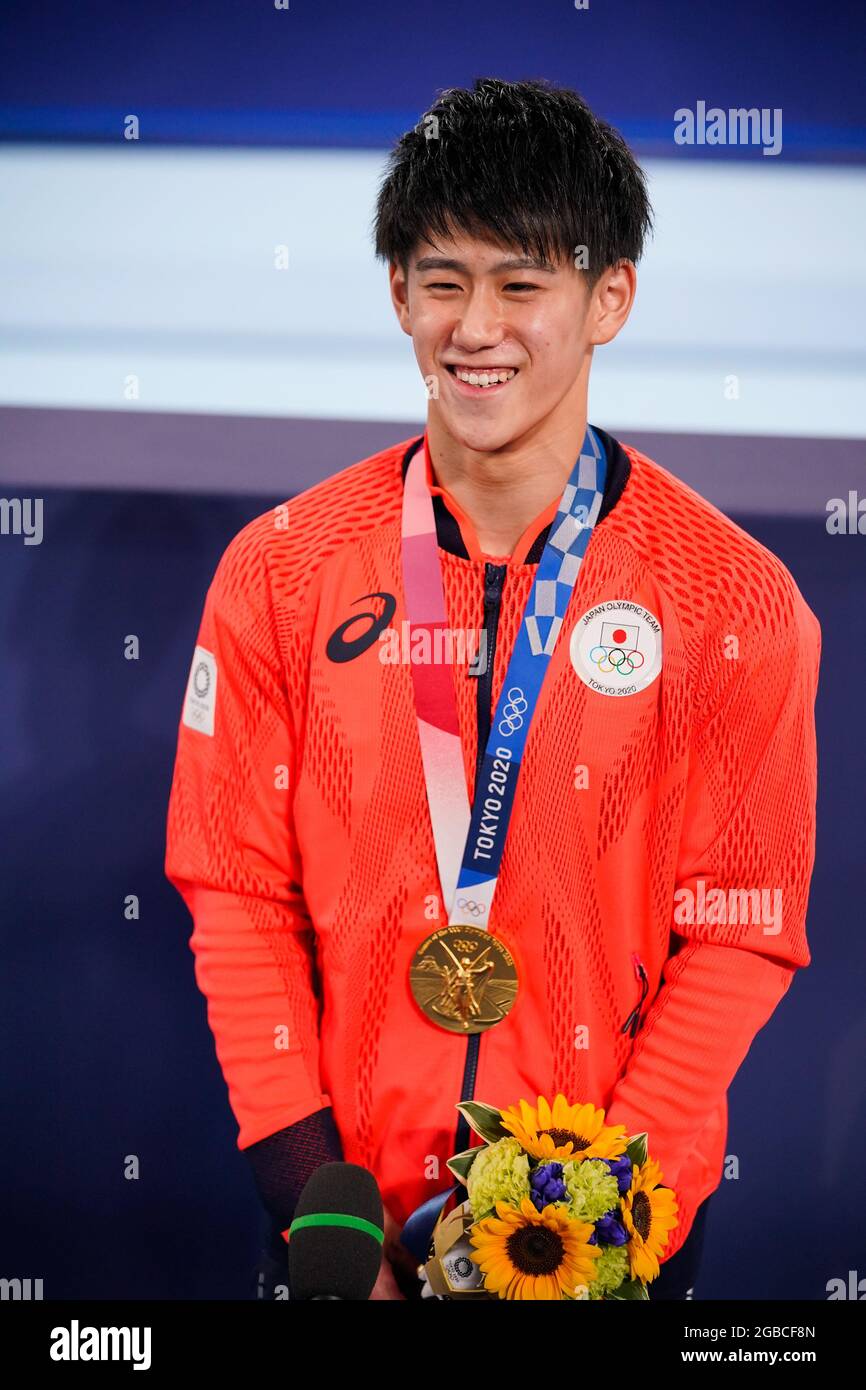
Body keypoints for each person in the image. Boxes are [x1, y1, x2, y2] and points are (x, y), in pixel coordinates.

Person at [164, 77, 821, 1301]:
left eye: (521, 284)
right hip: (340, 1225)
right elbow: (235, 887)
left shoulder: (734, 600)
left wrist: (594, 1213)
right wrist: (313, 1190)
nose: (477, 327)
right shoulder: (280, 569)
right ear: (399, 295)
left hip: (602, 1237)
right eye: (441, 280)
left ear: (607, 296)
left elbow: (737, 931)